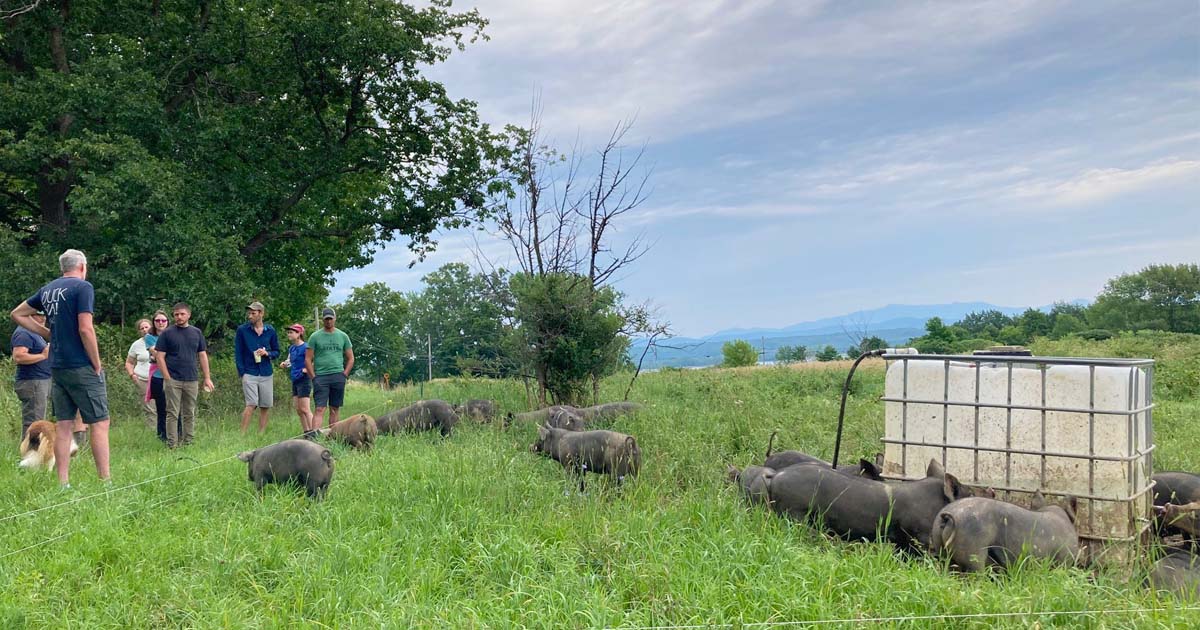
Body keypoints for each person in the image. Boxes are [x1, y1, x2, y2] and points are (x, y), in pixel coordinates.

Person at [10, 248, 111, 488]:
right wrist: (96, 362)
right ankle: (105, 482)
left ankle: (63, 483)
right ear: (83, 267)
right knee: (99, 422)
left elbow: (18, 313)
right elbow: (86, 328)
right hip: (80, 364)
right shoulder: (82, 288)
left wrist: (48, 334)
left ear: (62, 268)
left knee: (64, 424)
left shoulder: (48, 290)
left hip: (57, 366)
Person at [154, 302, 214, 448]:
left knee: (189, 412)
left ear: (188, 315)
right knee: (172, 413)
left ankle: (188, 442)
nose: (179, 317)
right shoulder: (167, 333)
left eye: (182, 314)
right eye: (176, 314)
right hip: (173, 378)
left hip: (191, 378)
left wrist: (207, 377)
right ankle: (172, 444)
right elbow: (159, 356)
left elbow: (202, 355)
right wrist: (167, 377)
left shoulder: (196, 332)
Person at [235, 301, 280, 434]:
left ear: (261, 314)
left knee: (265, 405)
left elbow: (277, 351)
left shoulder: (270, 331)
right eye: (249, 313)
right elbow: (238, 352)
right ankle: (242, 434)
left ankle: (261, 434)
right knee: (251, 403)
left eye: (253, 313)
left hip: (266, 372)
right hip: (249, 371)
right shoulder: (242, 330)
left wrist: (267, 353)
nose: (250, 316)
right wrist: (242, 372)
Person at [305, 307, 354, 431]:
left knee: (334, 408)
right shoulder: (315, 337)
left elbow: (351, 358)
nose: (328, 321)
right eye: (326, 319)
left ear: (335, 319)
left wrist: (344, 374)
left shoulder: (343, 336)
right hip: (321, 376)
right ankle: (315, 436)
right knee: (320, 408)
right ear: (323, 320)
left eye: (330, 319)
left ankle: (333, 436)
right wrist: (313, 377)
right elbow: (307, 359)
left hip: (338, 375)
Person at [11, 310, 51, 439]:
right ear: (28, 316)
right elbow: (19, 356)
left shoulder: (34, 332)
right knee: (34, 424)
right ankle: (30, 454)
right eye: (39, 314)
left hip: (38, 381)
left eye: (44, 314)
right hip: (32, 382)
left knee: (37, 422)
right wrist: (43, 355)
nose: (43, 318)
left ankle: (34, 453)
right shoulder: (24, 333)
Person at [279, 324, 314, 436]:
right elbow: (290, 360)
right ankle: (306, 432)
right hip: (295, 379)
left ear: (299, 334)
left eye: (291, 332)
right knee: (298, 409)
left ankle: (315, 432)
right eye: (288, 332)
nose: (289, 334)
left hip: (304, 379)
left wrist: (307, 369)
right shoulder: (292, 348)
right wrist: (285, 363)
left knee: (305, 408)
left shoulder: (306, 347)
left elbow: (314, 360)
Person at [145, 311, 173, 441]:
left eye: (163, 320)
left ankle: (177, 435)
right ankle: (162, 436)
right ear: (154, 322)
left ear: (168, 322)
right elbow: (156, 354)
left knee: (175, 408)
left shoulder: (174, 335)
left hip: (174, 375)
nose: (161, 323)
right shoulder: (149, 337)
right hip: (158, 376)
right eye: (157, 321)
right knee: (162, 408)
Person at [124, 318, 156, 429]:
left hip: (158, 378)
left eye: (146, 327)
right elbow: (129, 362)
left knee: (163, 405)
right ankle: (153, 432)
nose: (144, 330)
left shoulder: (159, 340)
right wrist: (132, 375)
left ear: (151, 327)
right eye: (141, 328)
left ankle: (166, 431)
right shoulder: (136, 345)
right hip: (142, 379)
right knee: (150, 407)